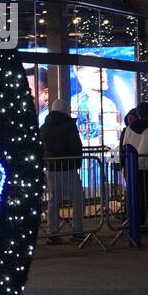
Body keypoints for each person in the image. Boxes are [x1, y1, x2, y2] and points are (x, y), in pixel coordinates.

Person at [38, 98, 83, 243]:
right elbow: (75, 146)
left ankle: (53, 232)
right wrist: (77, 162)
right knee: (77, 198)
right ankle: (77, 231)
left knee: (53, 200)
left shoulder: (44, 127)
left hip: (51, 168)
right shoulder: (69, 126)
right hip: (67, 166)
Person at [120, 102, 148, 229]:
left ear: (137, 113)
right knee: (145, 195)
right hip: (146, 165)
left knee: (133, 193)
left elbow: (125, 147)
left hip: (131, 165)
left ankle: (132, 220)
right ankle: (142, 222)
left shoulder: (128, 129)